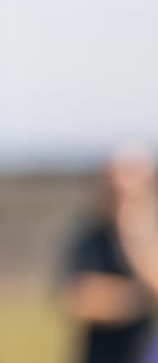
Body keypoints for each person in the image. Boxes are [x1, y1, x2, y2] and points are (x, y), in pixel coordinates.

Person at [61, 142, 158, 363]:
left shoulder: (149, 235)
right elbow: (80, 301)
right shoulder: (91, 237)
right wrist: (137, 299)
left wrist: (135, 234)